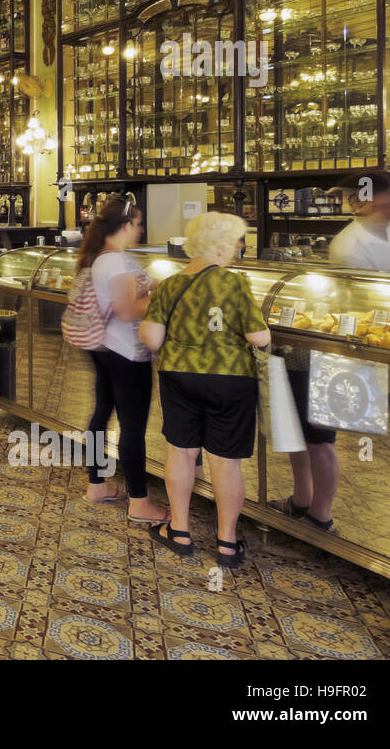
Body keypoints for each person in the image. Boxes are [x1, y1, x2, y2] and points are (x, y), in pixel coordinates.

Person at [140, 212, 271, 568]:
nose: (238, 248)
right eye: (236, 242)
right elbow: (260, 338)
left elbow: (151, 337)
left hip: (179, 377)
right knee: (226, 463)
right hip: (231, 379)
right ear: (223, 245)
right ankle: (227, 542)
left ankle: (179, 531)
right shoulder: (236, 283)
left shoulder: (170, 284)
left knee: (180, 452)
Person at [75, 197, 167, 524]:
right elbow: (128, 309)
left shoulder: (102, 258)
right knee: (132, 426)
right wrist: (163, 295)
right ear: (126, 226)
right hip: (127, 352)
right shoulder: (115, 262)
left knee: (103, 413)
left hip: (105, 349)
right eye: (139, 224)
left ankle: (96, 484)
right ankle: (140, 502)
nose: (141, 230)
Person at [330, 172, 390, 272]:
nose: (386, 212)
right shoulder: (347, 248)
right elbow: (365, 286)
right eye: (377, 208)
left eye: (388, 205)